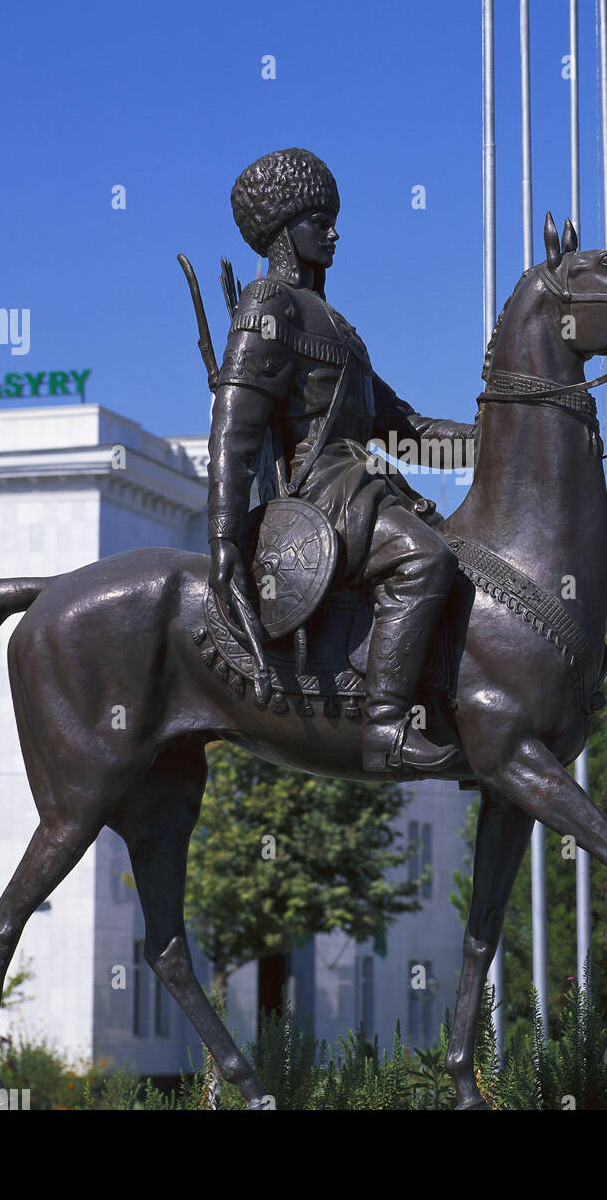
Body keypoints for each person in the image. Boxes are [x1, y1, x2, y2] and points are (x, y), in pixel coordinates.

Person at [207, 148, 474, 777]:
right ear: (283, 230)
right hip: (322, 489)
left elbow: (404, 430)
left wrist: (506, 434)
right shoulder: (267, 303)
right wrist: (221, 531)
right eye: (318, 220)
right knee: (424, 558)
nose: (333, 232)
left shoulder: (340, 328)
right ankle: (386, 729)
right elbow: (233, 430)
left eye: (333, 218)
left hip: (367, 479)